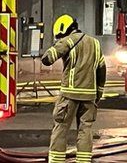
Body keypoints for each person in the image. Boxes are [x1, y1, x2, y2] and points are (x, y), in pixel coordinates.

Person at [42, 14, 106, 163]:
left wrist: (59, 46)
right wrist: (98, 93)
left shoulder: (67, 41)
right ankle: (83, 161)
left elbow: (47, 59)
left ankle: (57, 161)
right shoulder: (95, 43)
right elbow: (102, 71)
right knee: (86, 129)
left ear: (63, 30)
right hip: (90, 97)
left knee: (61, 128)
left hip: (69, 95)